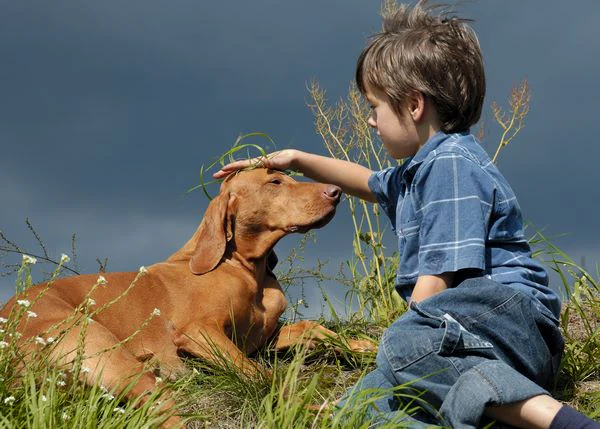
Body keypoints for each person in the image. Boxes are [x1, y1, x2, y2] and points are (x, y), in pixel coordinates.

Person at [214, 2, 599, 428]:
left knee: (403, 345)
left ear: (414, 105)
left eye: (375, 106)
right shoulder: (418, 173)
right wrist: (296, 159)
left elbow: (439, 274)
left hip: (510, 320)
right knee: (363, 409)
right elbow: (366, 182)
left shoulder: (450, 164)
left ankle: (562, 422)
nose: (372, 121)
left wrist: (414, 326)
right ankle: (485, 408)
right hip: (468, 336)